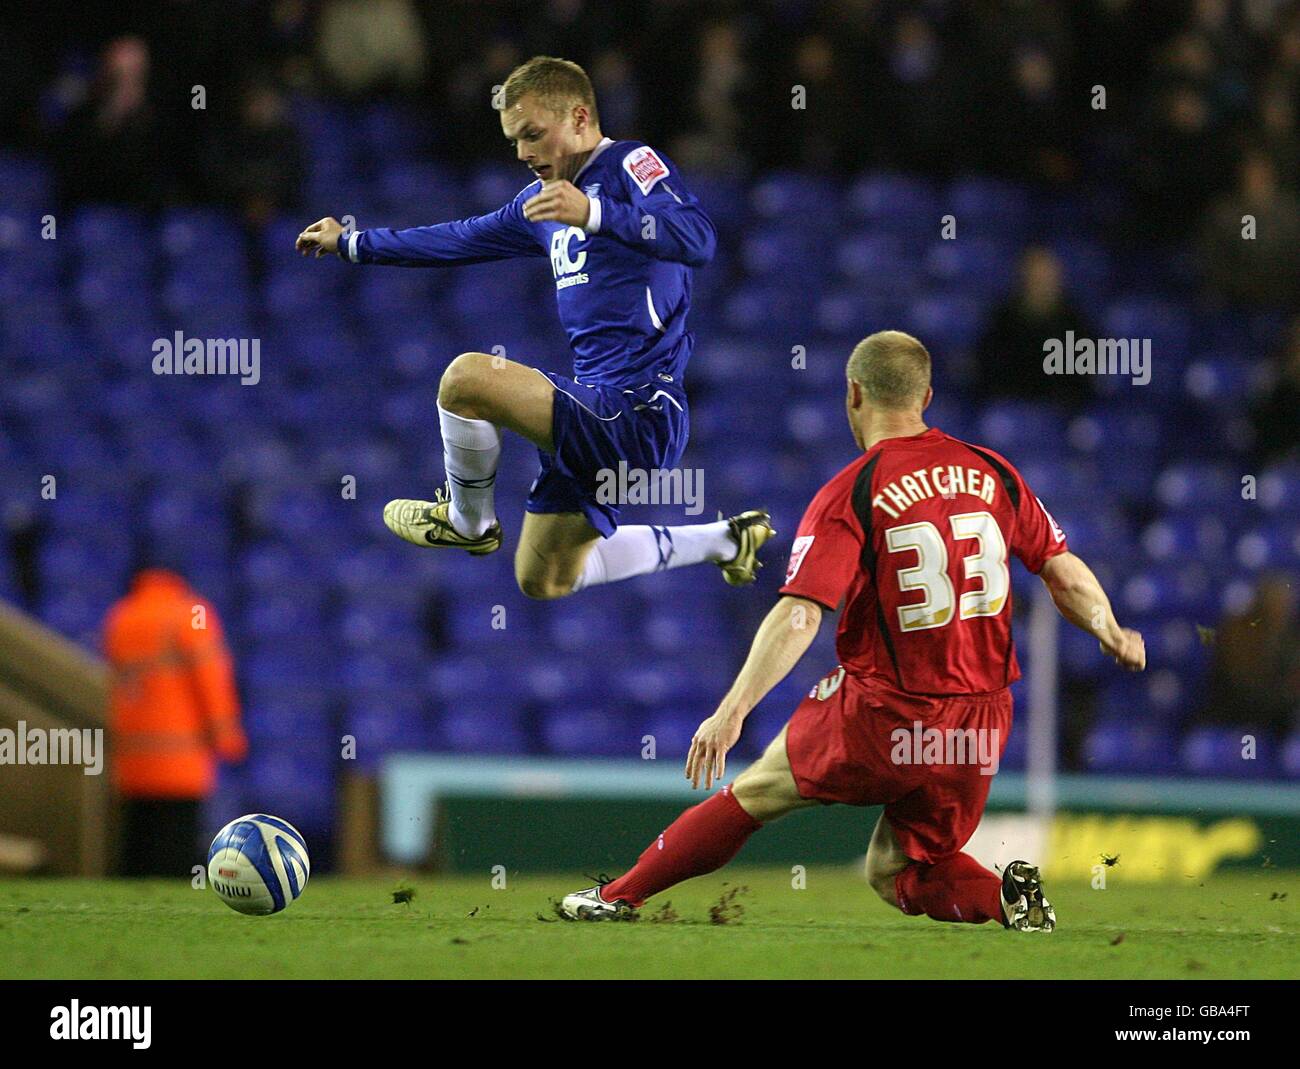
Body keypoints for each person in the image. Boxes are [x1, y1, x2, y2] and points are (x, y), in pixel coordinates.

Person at [560, 331, 1146, 930]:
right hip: (979, 721)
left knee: (757, 792)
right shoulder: (993, 471)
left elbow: (801, 612)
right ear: (927, 395)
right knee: (898, 869)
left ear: (854, 394)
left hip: (888, 709)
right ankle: (1005, 900)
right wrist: (1112, 630)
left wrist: (733, 710)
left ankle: (615, 898)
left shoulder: (855, 489)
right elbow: (1062, 572)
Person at [295, 56, 774, 600]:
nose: (523, 153)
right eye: (514, 140)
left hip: (639, 408)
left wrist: (594, 213)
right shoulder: (540, 204)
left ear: (578, 116)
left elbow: (697, 238)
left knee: (468, 380)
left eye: (532, 134)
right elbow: (458, 238)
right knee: (543, 578)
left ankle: (467, 522)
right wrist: (352, 242)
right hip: (597, 408)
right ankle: (726, 541)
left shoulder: (629, 164)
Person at [103, 568, 247, 877]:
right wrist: (227, 735)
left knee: (137, 847)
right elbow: (211, 679)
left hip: (133, 760)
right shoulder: (190, 614)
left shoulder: (122, 615)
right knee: (176, 851)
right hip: (180, 760)